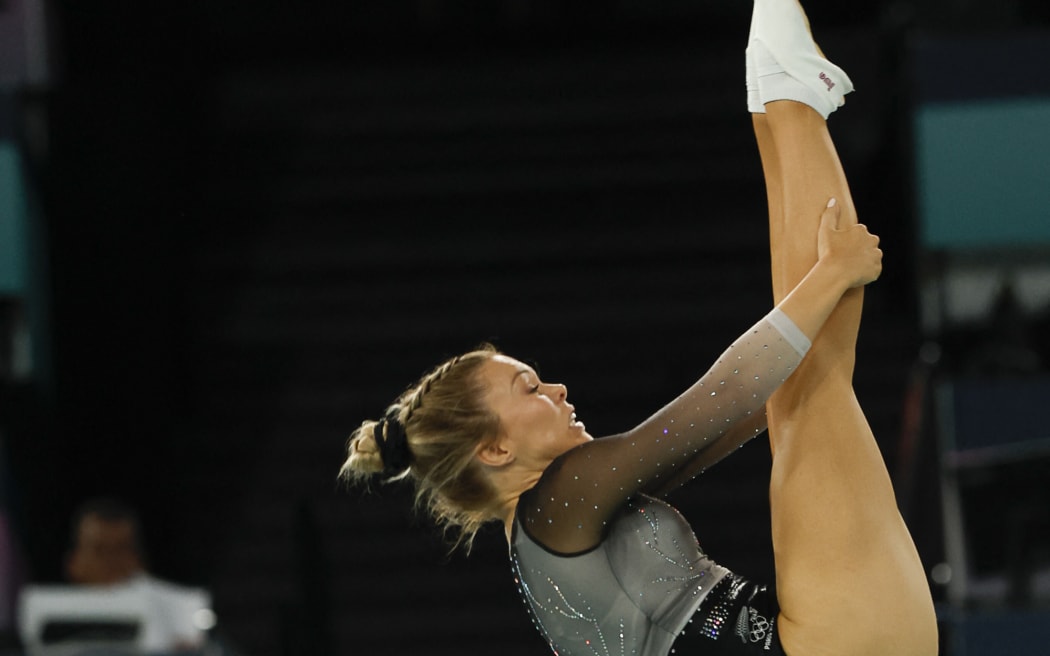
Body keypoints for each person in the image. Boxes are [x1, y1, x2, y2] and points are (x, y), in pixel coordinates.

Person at [340, 1, 939, 654]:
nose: (558, 390)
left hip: (812, 634)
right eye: (531, 388)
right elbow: (724, 398)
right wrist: (832, 275)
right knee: (811, 383)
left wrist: (809, 317)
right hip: (825, 643)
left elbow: (721, 421)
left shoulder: (550, 528)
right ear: (494, 450)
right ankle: (782, 93)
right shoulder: (558, 501)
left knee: (802, 382)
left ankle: (779, 93)